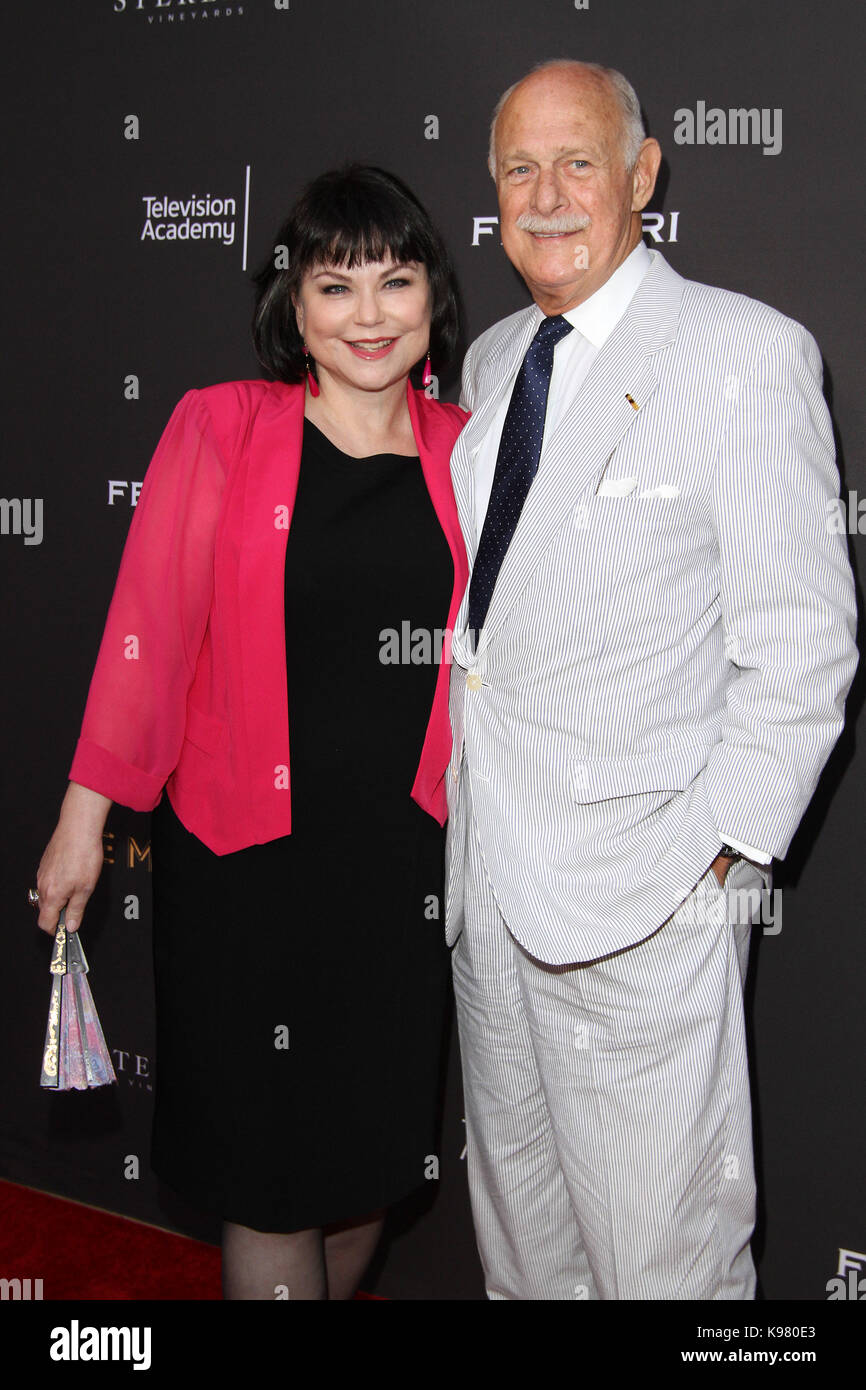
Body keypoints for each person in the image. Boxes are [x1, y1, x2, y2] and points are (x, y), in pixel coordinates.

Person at [444, 59, 857, 1299]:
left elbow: (800, 644)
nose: (548, 195)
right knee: (524, 1245)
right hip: (489, 887)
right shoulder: (494, 361)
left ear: (642, 173)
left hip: (643, 895)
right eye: (519, 169)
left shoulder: (745, 354)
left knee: (663, 1257)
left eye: (578, 162)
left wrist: (717, 859)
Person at [32, 164, 469, 1300]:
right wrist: (85, 821)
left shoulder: (469, 452)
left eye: (394, 279)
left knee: (365, 1175)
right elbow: (147, 635)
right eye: (335, 287)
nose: (368, 314)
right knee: (270, 1179)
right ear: (294, 309)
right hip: (245, 870)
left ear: (432, 296)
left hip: (402, 874)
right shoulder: (223, 427)